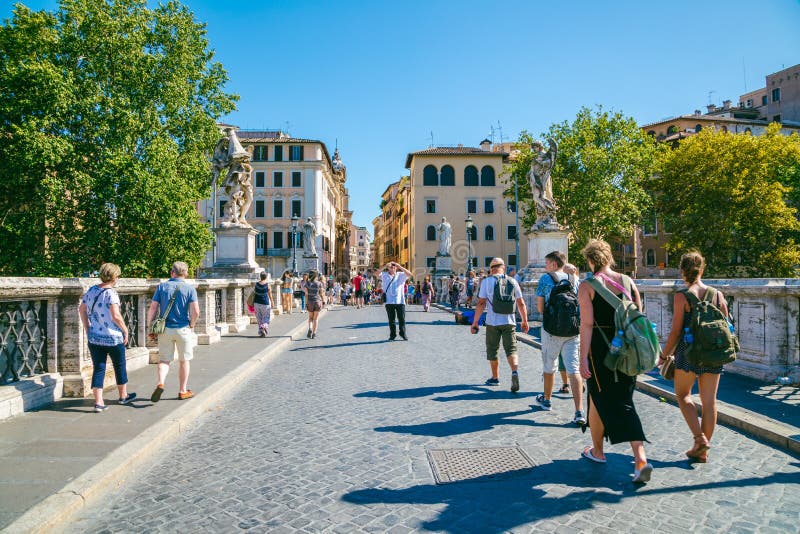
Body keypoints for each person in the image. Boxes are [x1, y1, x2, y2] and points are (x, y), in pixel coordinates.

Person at [577, 239, 652, 483]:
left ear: (590, 260)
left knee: (604, 398)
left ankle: (624, 456)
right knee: (615, 398)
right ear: (609, 257)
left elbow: (587, 325)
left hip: (601, 350)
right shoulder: (628, 282)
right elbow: (638, 316)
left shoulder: (587, 286)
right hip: (628, 348)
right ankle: (618, 453)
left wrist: (583, 359)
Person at [660, 251, 728, 463]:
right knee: (710, 403)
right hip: (713, 353)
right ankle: (703, 452)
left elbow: (676, 331)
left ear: (682, 271)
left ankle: (699, 439)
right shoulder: (717, 294)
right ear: (702, 269)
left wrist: (664, 355)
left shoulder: (682, 296)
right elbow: (725, 322)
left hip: (688, 352)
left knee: (683, 395)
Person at [535, 251, 585, 425]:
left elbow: (540, 308)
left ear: (554, 264)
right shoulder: (574, 279)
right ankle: (579, 411)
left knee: (549, 366)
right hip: (572, 331)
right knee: (573, 370)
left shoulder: (545, 279)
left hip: (551, 330)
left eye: (547, 263)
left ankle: (547, 400)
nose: (545, 266)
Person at [78, 263, 135, 412]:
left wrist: (88, 327)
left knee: (99, 368)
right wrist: (125, 330)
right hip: (113, 337)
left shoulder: (91, 290)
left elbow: (81, 309)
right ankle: (123, 396)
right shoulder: (111, 293)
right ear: (114, 276)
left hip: (94, 337)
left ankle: (98, 402)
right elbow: (116, 315)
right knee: (119, 365)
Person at [471, 258, 529, 392]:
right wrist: (524, 320)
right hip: (510, 321)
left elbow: (481, 303)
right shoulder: (513, 281)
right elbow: (521, 303)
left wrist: (475, 322)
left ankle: (495, 377)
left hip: (493, 322)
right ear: (504, 267)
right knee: (511, 349)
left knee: (493, 349)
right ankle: (514, 372)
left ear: (491, 269)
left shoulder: (487, 282)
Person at [147, 261, 200, 402]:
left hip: (165, 329)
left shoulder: (162, 287)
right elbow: (196, 311)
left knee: (164, 360)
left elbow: (152, 308)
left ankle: (160, 383)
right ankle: (182, 391)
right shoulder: (189, 289)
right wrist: (192, 325)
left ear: (172, 273)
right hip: (183, 328)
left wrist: (150, 326)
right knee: (184, 361)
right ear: (186, 273)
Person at [381, 261, 412, 340]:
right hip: (389, 301)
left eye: (394, 266)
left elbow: (410, 274)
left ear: (396, 268)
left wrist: (400, 266)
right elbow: (376, 274)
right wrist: (385, 266)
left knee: (402, 319)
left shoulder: (401, 275)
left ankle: (403, 333)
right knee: (391, 320)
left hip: (400, 301)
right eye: (391, 266)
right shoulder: (384, 275)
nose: (393, 268)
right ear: (388, 268)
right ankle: (392, 334)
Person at [304, 270, 326, 339]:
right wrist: (323, 301)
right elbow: (321, 293)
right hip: (317, 301)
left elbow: (306, 294)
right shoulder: (319, 283)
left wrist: (306, 303)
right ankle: (314, 333)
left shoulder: (307, 283)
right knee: (315, 319)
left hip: (310, 301)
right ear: (316, 276)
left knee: (310, 318)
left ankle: (310, 328)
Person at [253, 271, 273, 337]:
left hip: (256, 303)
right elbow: (270, 294)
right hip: (265, 303)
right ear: (266, 277)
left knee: (259, 318)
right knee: (266, 318)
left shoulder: (256, 284)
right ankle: (263, 327)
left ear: (260, 277)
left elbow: (254, 293)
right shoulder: (268, 285)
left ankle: (261, 331)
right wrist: (272, 302)